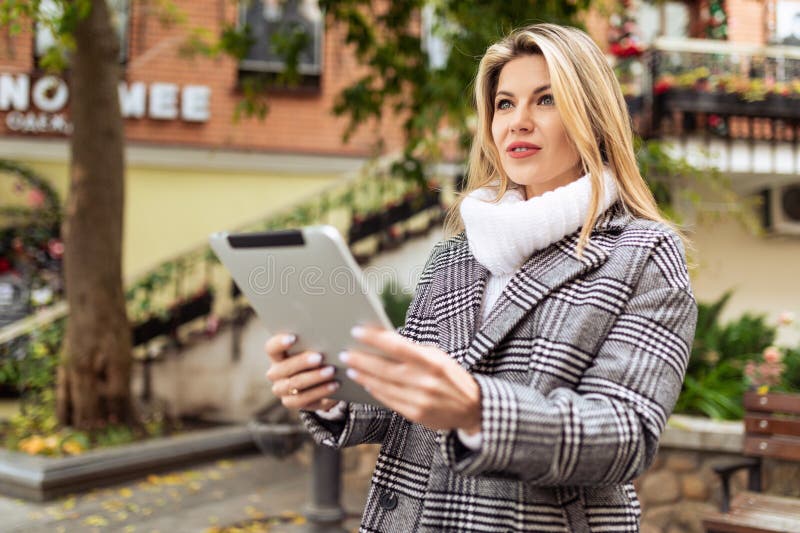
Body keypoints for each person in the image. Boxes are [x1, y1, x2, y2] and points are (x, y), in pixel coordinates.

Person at [264, 23, 697, 532]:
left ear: (593, 118)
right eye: (505, 104)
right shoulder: (456, 255)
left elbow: (625, 437)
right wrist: (332, 393)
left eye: (546, 100)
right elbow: (402, 410)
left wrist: (477, 410)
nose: (518, 122)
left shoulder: (643, 254)